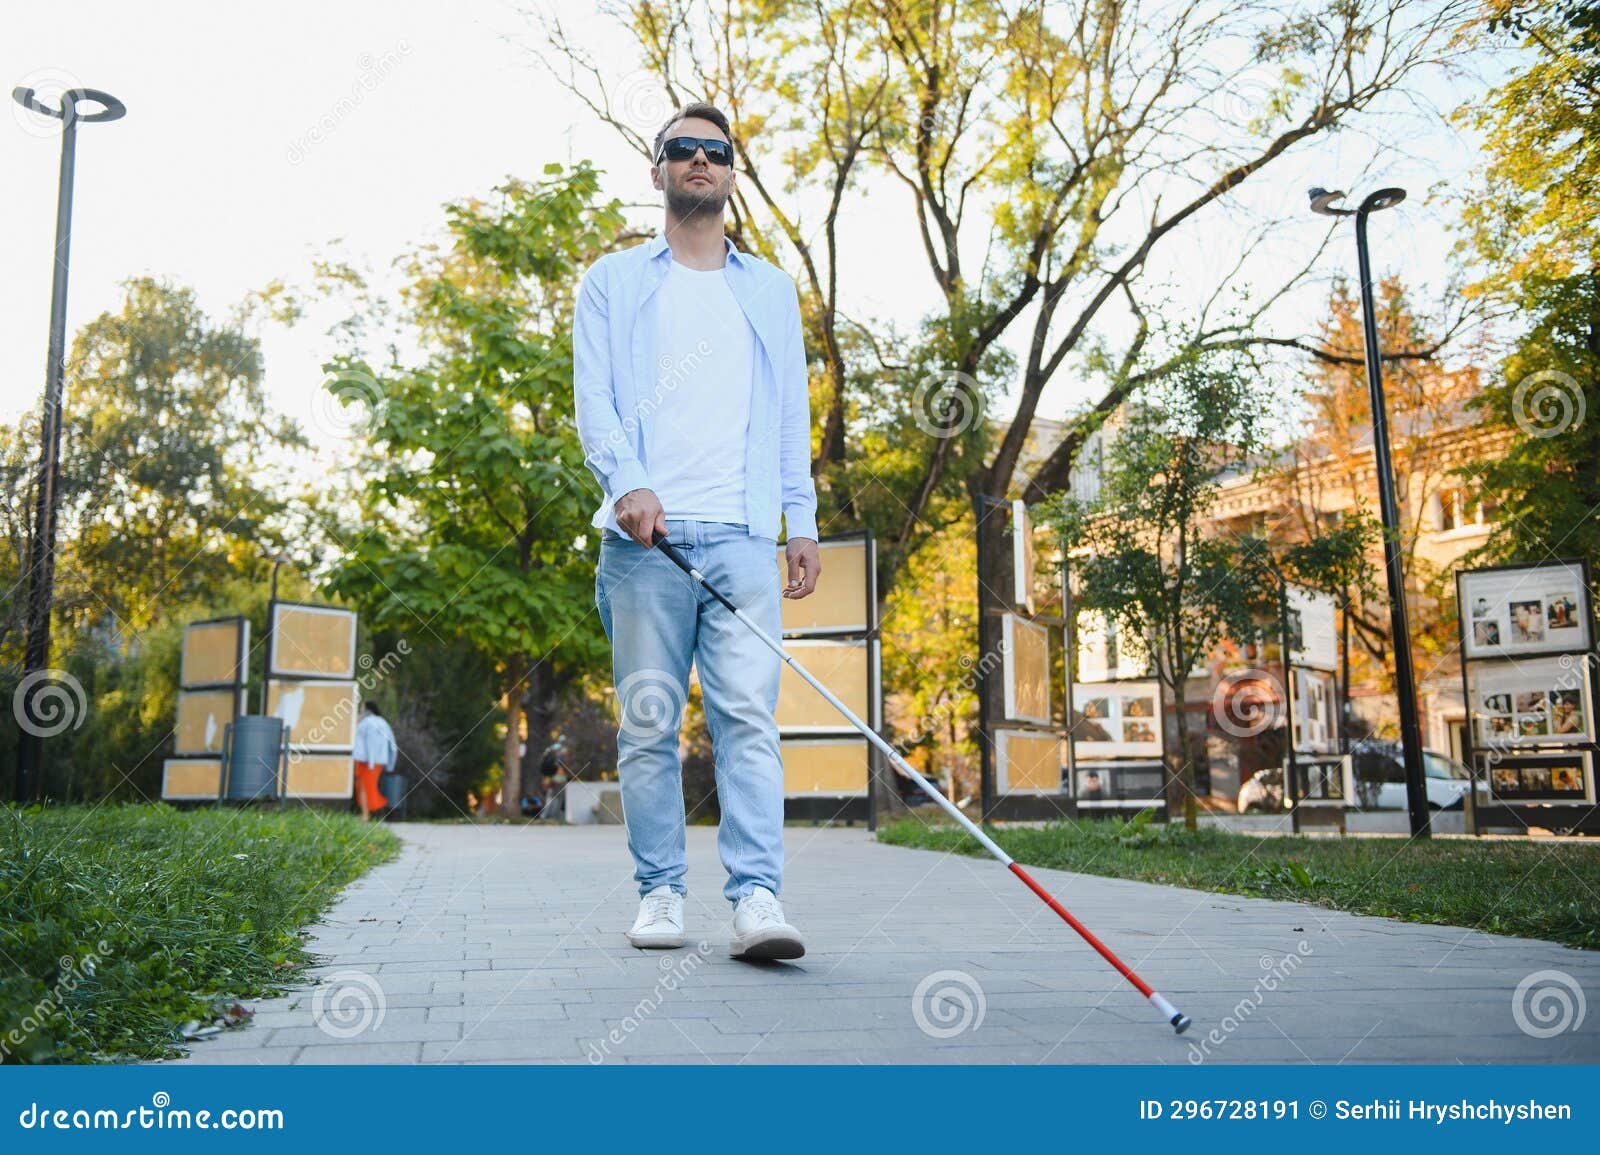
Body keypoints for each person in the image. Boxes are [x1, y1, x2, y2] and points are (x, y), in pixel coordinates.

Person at [573, 100, 823, 961]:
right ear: (659, 171)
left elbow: (791, 414)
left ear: (730, 170)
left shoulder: (770, 290)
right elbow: (595, 402)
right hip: (646, 542)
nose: (700, 161)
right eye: (683, 150)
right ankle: (661, 894)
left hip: (748, 538)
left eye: (715, 151)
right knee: (648, 722)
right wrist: (627, 483)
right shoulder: (612, 281)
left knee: (748, 721)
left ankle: (757, 896)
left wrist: (802, 521)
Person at [352, 700, 397, 823]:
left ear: (367, 709)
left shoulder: (368, 722)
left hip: (367, 762)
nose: (360, 710)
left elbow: (371, 743)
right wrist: (390, 764)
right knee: (364, 787)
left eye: (362, 707)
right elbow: (393, 745)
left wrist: (371, 763)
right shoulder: (383, 722)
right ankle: (367, 814)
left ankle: (373, 812)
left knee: (366, 788)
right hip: (376, 761)